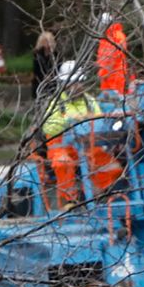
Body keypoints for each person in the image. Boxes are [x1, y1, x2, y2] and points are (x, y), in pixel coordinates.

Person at [40, 61, 101, 208]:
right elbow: (49, 127)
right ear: (65, 84)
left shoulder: (90, 101)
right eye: (73, 83)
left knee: (108, 163)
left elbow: (101, 121)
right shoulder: (55, 103)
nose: (77, 86)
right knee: (63, 163)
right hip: (62, 150)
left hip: (87, 146)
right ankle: (70, 201)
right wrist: (70, 121)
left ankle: (102, 195)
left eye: (79, 82)